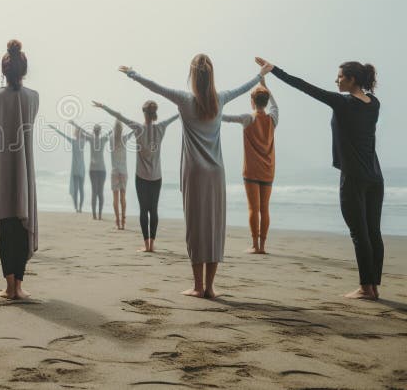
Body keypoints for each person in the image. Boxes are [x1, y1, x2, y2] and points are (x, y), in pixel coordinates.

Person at [119, 55, 270, 298]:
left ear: (192, 76)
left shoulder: (184, 99)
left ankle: (198, 286)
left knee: (196, 227)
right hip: (216, 173)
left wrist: (132, 73)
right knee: (214, 226)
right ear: (211, 76)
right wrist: (260, 75)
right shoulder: (220, 99)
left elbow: (155, 86)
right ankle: (210, 287)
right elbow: (245, 88)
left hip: (194, 174)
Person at [259, 57, 383, 300]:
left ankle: (366, 288)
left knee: (360, 233)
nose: (336, 80)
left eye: (340, 77)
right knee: (373, 233)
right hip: (375, 177)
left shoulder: (342, 102)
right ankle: (374, 286)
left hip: (354, 177)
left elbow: (304, 86)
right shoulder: (374, 103)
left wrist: (274, 70)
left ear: (352, 79)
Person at [0, 39, 39, 300]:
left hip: (2, 167)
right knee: (21, 225)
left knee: (7, 226)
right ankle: (19, 285)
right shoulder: (33, 98)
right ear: (24, 70)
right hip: (24, 169)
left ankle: (9, 288)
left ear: (4, 71)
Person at [93, 100, 178, 248]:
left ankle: (147, 246)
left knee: (144, 210)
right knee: (154, 209)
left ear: (144, 113)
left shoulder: (138, 128)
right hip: (156, 176)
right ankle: (152, 243)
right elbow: (177, 115)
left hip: (141, 177)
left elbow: (120, 116)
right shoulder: (161, 127)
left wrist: (104, 107)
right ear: (154, 113)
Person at [221, 76, 279, 254]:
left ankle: (255, 245)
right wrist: (265, 84)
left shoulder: (248, 118)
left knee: (253, 208)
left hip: (252, 171)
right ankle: (263, 246)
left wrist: (209, 110)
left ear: (252, 101)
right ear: (266, 100)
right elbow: (274, 105)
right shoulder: (272, 119)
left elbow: (225, 118)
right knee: (265, 209)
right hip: (268, 170)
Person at [70, 121, 111, 220]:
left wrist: (74, 124)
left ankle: (94, 215)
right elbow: (110, 133)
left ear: (94, 131)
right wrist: (114, 128)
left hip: (93, 169)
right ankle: (99, 215)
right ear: (99, 131)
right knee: (100, 192)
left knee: (94, 192)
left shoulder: (91, 138)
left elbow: (83, 131)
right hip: (101, 170)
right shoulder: (103, 139)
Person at [48, 124, 86, 212]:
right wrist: (55, 129)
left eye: (77, 132)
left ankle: (78, 208)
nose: (76, 133)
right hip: (79, 168)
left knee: (78, 189)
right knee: (79, 189)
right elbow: (64, 135)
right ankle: (78, 208)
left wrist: (55, 129)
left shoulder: (79, 141)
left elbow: (64, 135)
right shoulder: (81, 141)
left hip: (78, 169)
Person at [107, 119, 134, 229]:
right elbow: (134, 131)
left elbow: (110, 134)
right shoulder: (124, 138)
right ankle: (123, 221)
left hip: (114, 171)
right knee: (123, 197)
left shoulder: (110, 138)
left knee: (115, 198)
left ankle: (117, 220)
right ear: (121, 128)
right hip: (123, 171)